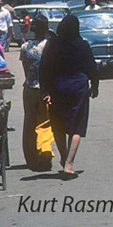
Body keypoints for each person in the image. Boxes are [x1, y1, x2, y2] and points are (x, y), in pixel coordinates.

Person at [39, 14, 99, 180]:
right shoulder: (83, 45)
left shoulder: (53, 44)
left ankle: (64, 156)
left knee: (57, 124)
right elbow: (92, 67)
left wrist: (45, 90)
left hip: (57, 87)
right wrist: (95, 85)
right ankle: (69, 164)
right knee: (77, 126)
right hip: (79, 88)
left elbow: (44, 68)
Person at [20, 14, 54, 171]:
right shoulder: (51, 46)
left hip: (30, 88)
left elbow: (27, 71)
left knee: (29, 123)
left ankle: (31, 158)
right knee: (45, 122)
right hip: (46, 89)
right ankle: (45, 151)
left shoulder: (25, 47)